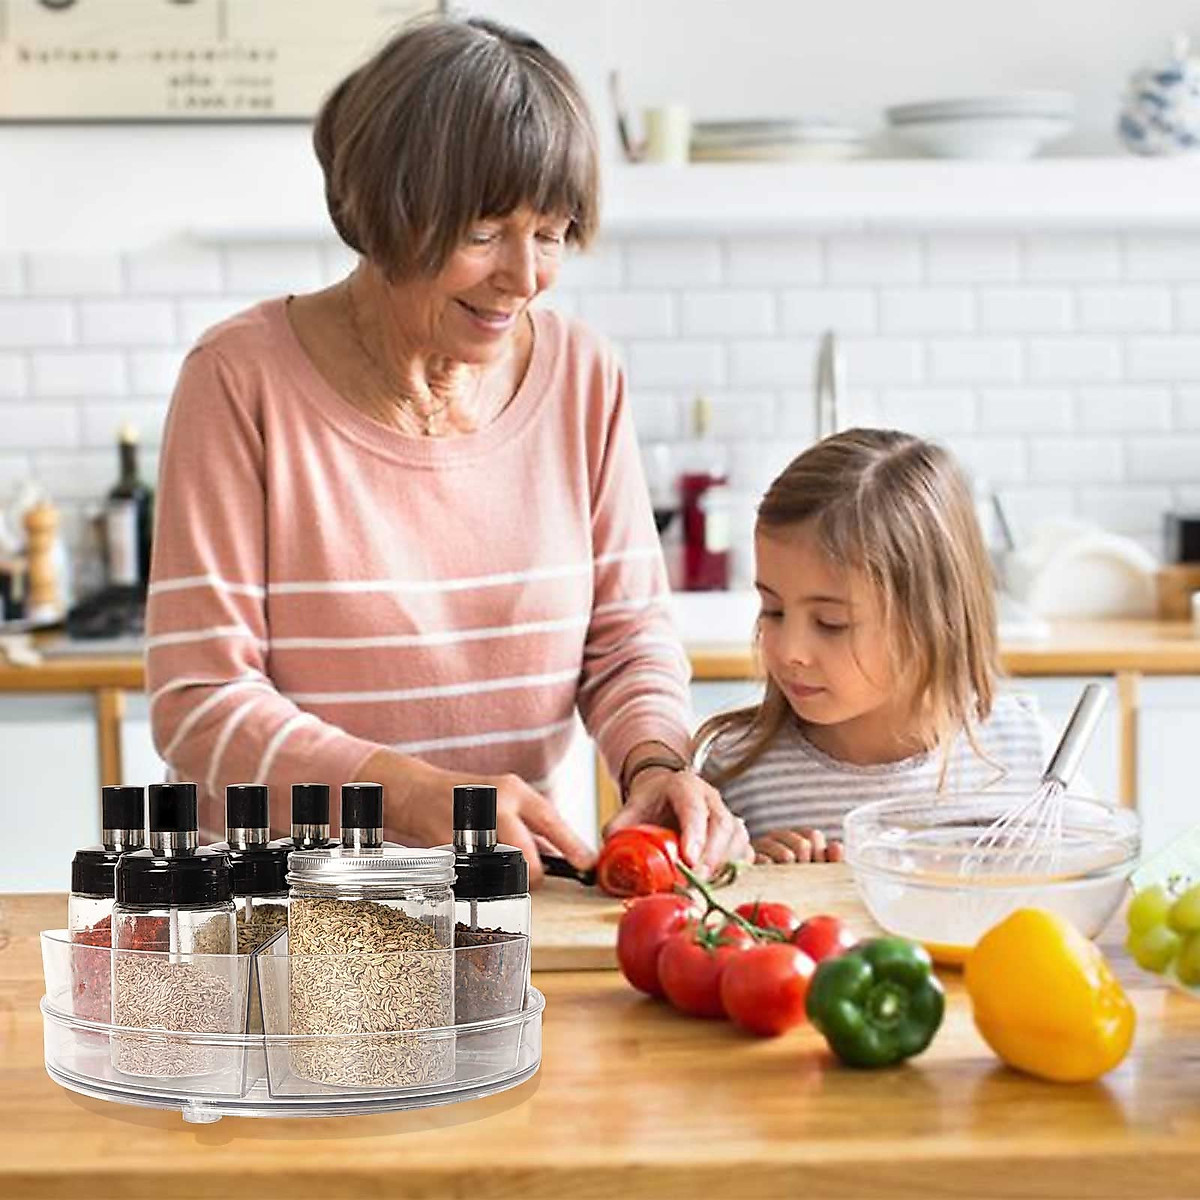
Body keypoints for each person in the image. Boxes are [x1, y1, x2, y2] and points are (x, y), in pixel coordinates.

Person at [145, 16, 750, 881]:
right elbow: (200, 703)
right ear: (388, 212)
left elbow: (626, 638)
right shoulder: (240, 379)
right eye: (482, 232)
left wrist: (655, 764)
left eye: (550, 232)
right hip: (283, 915)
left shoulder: (583, 376)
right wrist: (403, 794)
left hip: (506, 904)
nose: (524, 274)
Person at [694, 428, 1049, 865]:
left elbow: (1081, 903)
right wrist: (750, 880)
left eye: (831, 623)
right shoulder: (739, 772)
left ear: (930, 618)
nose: (790, 651)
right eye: (773, 610)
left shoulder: (1026, 751)